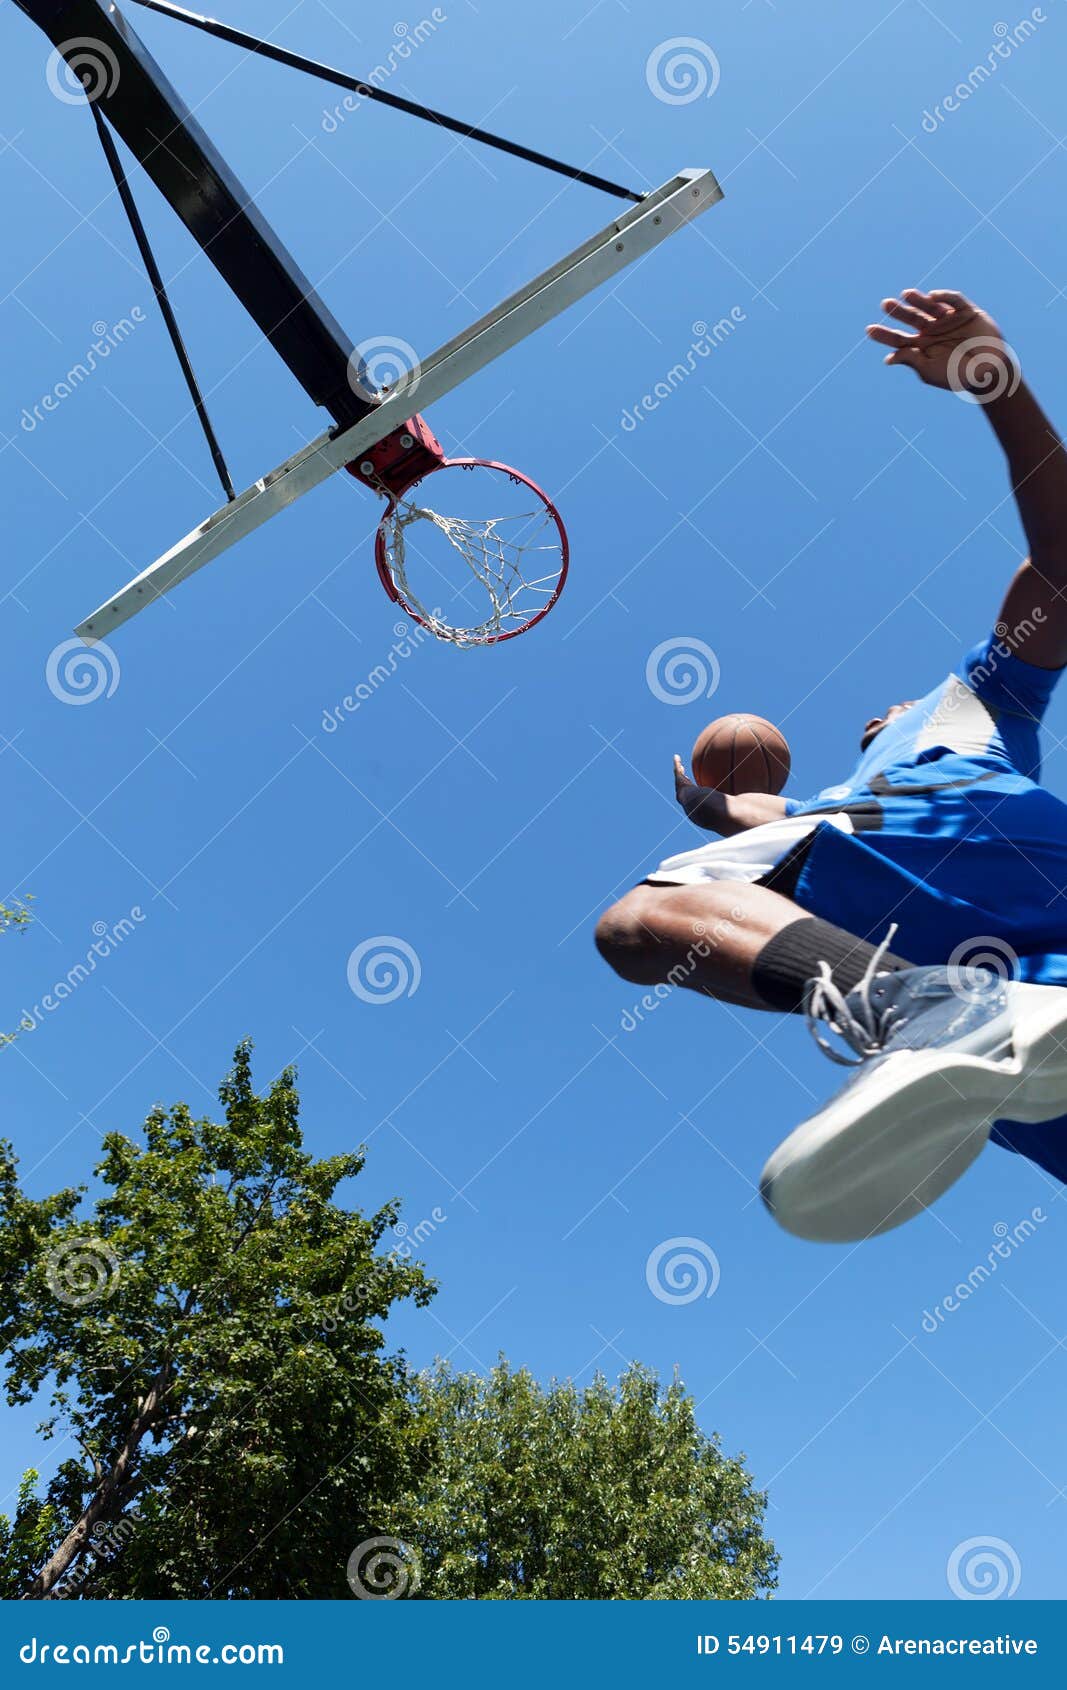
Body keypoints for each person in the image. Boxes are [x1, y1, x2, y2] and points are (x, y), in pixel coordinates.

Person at [595, 288, 1067, 1244]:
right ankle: (928, 1013)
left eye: (886, 714)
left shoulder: (976, 706)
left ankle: (923, 1006)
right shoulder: (803, 825)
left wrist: (997, 384)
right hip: (1027, 1073)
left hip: (1020, 987)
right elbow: (751, 821)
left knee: (646, 911)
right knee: (643, 918)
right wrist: (707, 805)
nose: (873, 717)